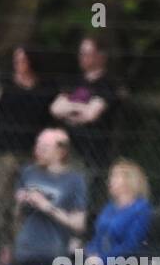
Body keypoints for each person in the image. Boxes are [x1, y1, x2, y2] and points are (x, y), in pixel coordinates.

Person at [0, 47, 55, 255]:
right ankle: (5, 249)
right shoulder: (5, 85)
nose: (19, 63)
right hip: (5, 153)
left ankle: (24, 249)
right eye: (16, 59)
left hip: (32, 156)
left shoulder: (45, 88)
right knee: (2, 202)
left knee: (27, 204)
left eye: (23, 59)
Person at [9, 128, 88, 265]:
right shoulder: (28, 172)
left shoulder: (74, 181)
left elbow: (79, 224)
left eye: (44, 148)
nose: (38, 151)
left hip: (53, 254)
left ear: (61, 152)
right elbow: (16, 217)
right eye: (37, 146)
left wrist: (47, 206)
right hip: (23, 251)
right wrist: (21, 201)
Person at [50, 36, 119, 177]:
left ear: (101, 57)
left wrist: (69, 107)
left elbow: (91, 114)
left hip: (92, 152)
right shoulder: (74, 80)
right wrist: (82, 107)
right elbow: (55, 109)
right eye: (81, 53)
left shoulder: (107, 84)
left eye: (87, 53)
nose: (82, 57)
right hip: (66, 150)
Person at [87, 160, 152, 263]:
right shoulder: (109, 207)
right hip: (97, 262)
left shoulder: (140, 209)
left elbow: (131, 245)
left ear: (129, 180)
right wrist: (90, 252)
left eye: (115, 177)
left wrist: (103, 260)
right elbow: (98, 236)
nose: (109, 181)